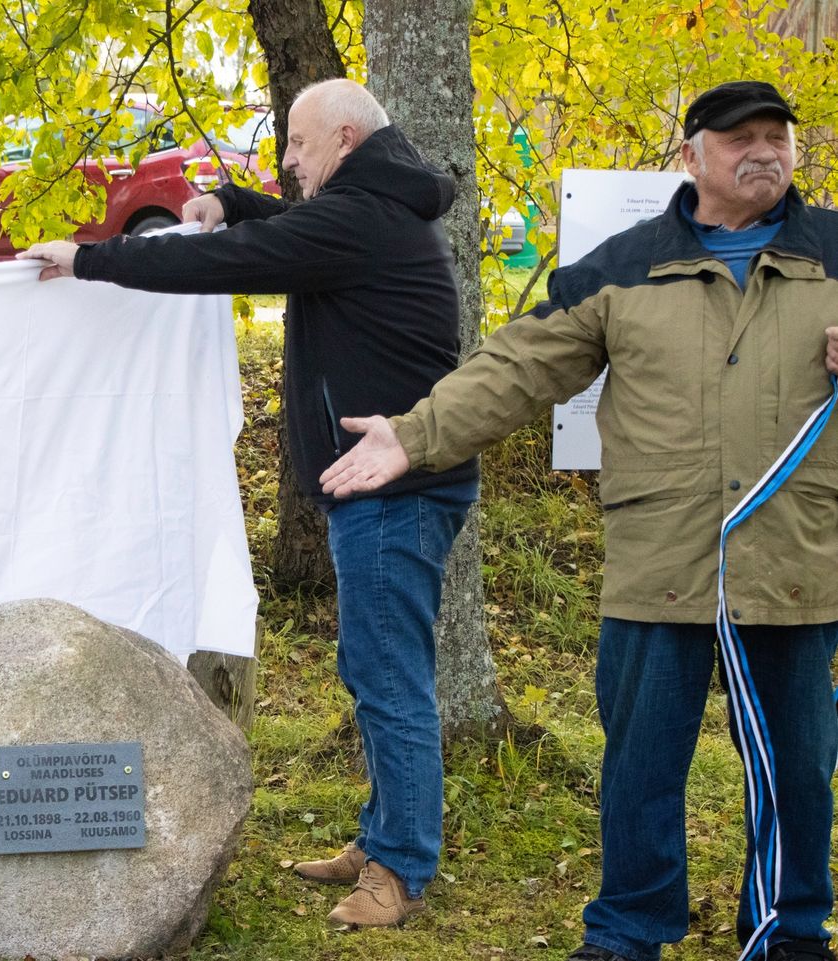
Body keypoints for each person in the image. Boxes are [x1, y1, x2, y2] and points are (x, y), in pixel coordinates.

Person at [320, 80, 838, 961]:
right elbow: (518, 366)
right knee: (640, 766)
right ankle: (630, 930)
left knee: (799, 764)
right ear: (691, 156)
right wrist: (413, 434)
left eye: (776, 136)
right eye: (739, 137)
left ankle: (790, 931)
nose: (764, 151)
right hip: (659, 562)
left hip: (796, 556)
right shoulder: (624, 266)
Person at [20, 77, 478, 928]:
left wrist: (89, 260)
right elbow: (280, 228)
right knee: (372, 668)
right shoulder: (372, 208)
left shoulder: (359, 219)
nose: (290, 161)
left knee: (389, 677)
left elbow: (224, 262)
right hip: (387, 487)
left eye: (299, 144)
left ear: (344, 140)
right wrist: (230, 202)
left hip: (395, 492)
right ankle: (384, 836)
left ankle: (403, 868)